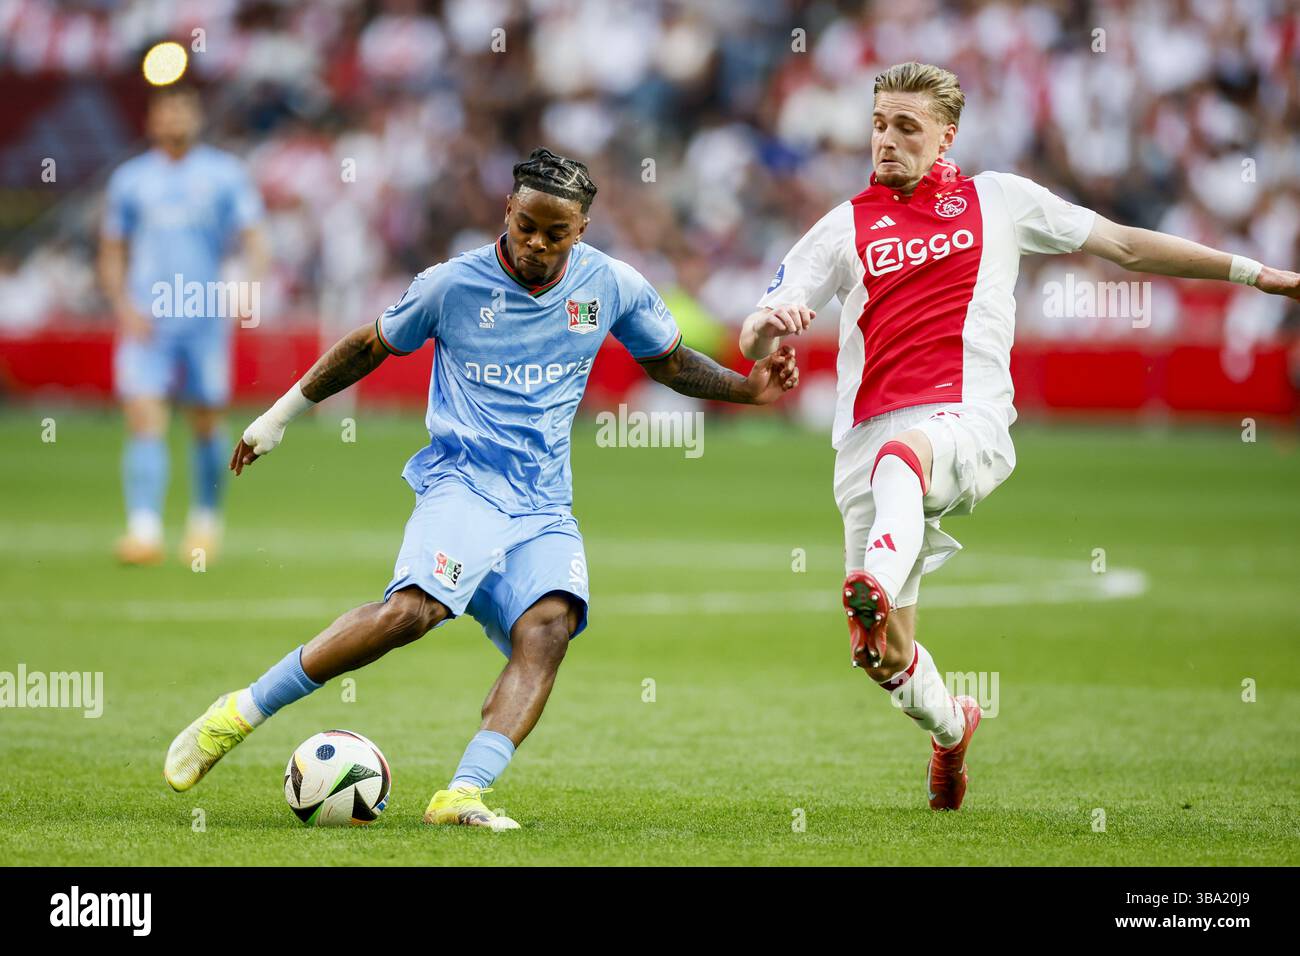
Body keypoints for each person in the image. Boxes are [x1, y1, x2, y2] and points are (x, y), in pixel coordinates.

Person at [164, 147, 800, 829]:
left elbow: (668, 360)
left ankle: (462, 792)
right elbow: (369, 345)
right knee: (411, 614)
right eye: (526, 225)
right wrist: (276, 418)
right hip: (464, 485)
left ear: (581, 230)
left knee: (550, 626)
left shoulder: (609, 285)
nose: (535, 243)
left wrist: (746, 388)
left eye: (556, 233)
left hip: (544, 502)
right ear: (508, 210)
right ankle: (238, 714)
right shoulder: (452, 285)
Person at [739, 61, 1300, 811]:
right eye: (879, 125)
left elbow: (1125, 247)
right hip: (865, 439)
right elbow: (752, 327)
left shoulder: (1000, 200)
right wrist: (764, 328)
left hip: (966, 422)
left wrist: (1254, 273)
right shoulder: (845, 226)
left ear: (947, 136)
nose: (887, 140)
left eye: (907, 127)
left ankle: (870, 580)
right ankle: (951, 730)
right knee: (882, 655)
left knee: (906, 465)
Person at [98, 84, 268, 565]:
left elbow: (256, 239)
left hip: (205, 316)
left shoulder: (224, 174)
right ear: (152, 120)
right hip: (146, 319)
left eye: (183, 110)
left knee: (206, 421)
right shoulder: (130, 180)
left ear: (197, 117)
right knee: (144, 418)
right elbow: (112, 250)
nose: (175, 119)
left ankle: (204, 523)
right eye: (167, 110)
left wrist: (246, 288)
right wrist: (122, 305)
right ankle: (144, 531)